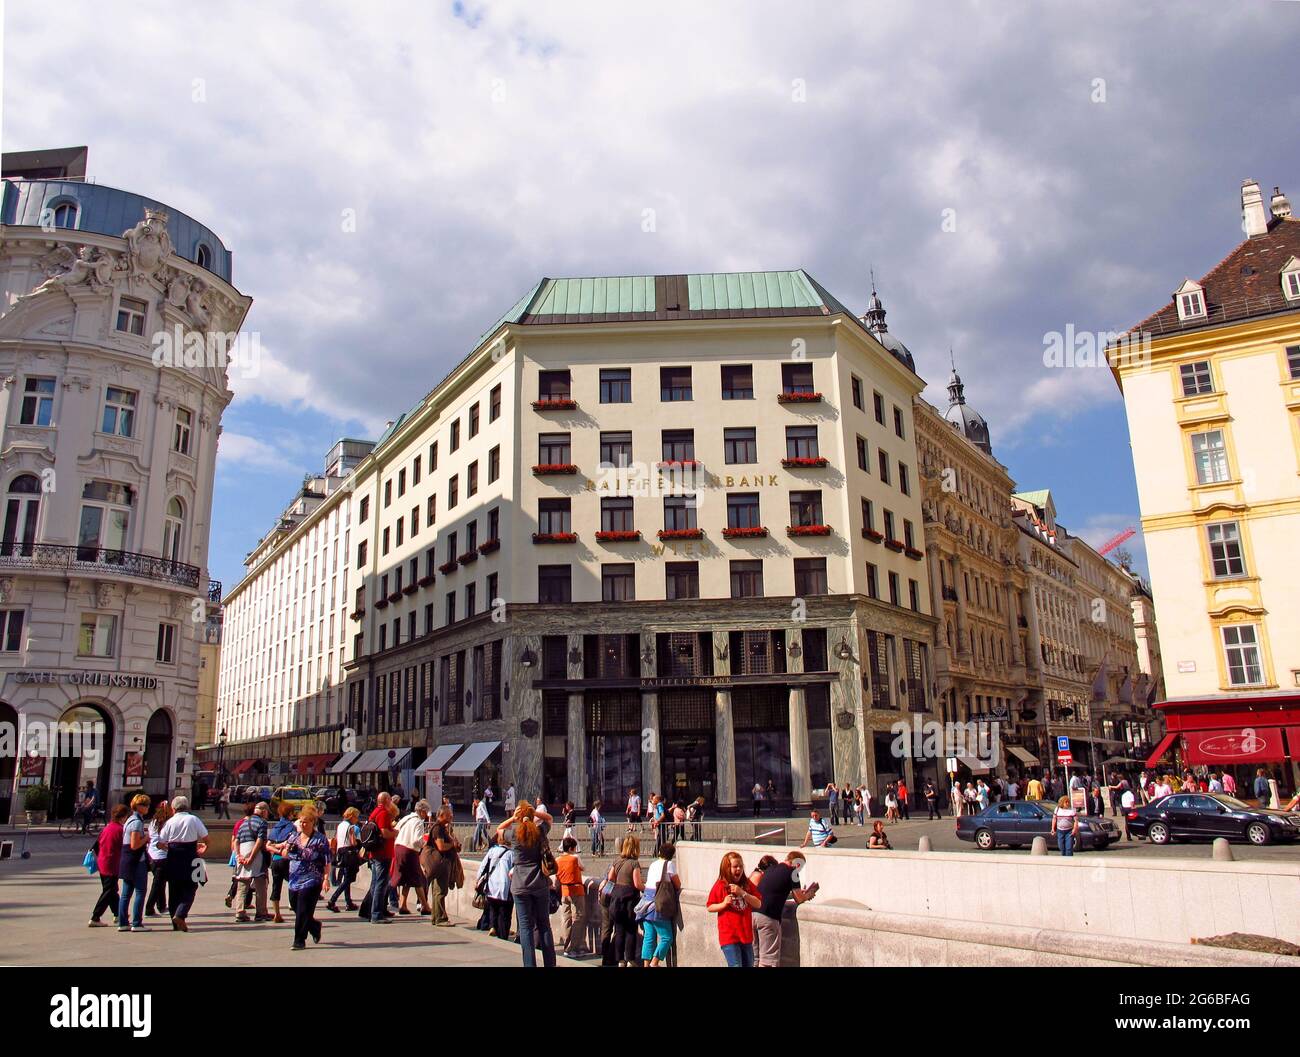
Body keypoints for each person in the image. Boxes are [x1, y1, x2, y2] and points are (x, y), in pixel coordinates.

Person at [499, 801, 556, 967]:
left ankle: (529, 965)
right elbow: (550, 818)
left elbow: (499, 830)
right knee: (544, 924)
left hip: (519, 885)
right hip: (539, 883)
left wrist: (513, 818)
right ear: (532, 816)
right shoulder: (539, 831)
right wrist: (535, 813)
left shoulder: (515, 834)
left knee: (525, 928)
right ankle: (550, 964)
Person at [274, 802, 331, 950]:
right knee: (295, 906)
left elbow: (327, 860)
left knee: (303, 909)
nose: (303, 824)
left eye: (306, 822)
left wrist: (326, 879)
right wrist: (285, 852)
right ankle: (314, 926)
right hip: (294, 878)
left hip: (312, 879)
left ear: (313, 822)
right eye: (301, 821)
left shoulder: (320, 839)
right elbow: (285, 851)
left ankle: (299, 940)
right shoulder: (294, 837)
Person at [752, 850, 817, 967]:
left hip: (753, 915)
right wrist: (809, 894)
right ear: (798, 864)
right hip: (768, 917)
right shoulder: (793, 872)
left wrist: (797, 893)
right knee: (768, 961)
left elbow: (775, 892)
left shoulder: (771, 869)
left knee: (755, 959)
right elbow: (799, 899)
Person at [156, 796, 209, 931]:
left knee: (174, 890)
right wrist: (203, 847)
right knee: (191, 887)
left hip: (173, 856)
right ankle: (180, 914)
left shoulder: (170, 822)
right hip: (190, 855)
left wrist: (169, 847)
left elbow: (160, 843)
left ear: (173, 809)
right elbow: (206, 838)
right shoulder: (193, 819)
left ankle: (175, 921)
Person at [706, 851, 761, 967]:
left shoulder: (747, 884)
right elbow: (710, 906)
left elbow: (758, 903)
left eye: (741, 866)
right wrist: (723, 904)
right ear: (727, 868)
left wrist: (742, 893)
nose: (739, 869)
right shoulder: (720, 885)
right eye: (735, 866)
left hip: (746, 936)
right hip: (729, 937)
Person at [640, 840, 681, 967]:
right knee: (667, 937)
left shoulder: (653, 864)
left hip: (646, 903)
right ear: (672, 855)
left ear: (659, 852)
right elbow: (677, 884)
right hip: (658, 904)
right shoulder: (669, 865)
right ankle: (655, 962)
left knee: (649, 937)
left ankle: (646, 964)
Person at [604, 833, 643, 967]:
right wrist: (647, 887)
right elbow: (637, 884)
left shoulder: (617, 861)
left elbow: (610, 878)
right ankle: (630, 960)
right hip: (630, 900)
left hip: (616, 899)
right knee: (631, 930)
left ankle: (620, 960)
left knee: (619, 930)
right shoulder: (634, 863)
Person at [115, 794, 152, 932]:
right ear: (139, 806)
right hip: (136, 860)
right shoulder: (136, 822)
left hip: (127, 860)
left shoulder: (129, 820)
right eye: (146, 805)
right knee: (140, 891)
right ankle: (136, 923)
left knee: (126, 893)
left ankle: (123, 922)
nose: (148, 807)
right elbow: (134, 844)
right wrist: (147, 838)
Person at [88, 803, 127, 927]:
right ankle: (95, 916)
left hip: (103, 862)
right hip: (112, 863)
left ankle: (118, 914)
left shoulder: (108, 827)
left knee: (112, 890)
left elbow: (98, 845)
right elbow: (124, 847)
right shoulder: (120, 830)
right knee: (109, 891)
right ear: (123, 817)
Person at [423, 805, 461, 926]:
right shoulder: (438, 829)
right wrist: (452, 845)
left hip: (441, 863)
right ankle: (440, 919)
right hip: (440, 864)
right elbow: (441, 846)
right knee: (440, 891)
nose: (451, 816)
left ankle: (436, 917)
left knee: (438, 891)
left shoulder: (442, 828)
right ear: (442, 815)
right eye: (449, 814)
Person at [365, 791, 398, 924]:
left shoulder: (375, 812)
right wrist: (395, 832)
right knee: (380, 883)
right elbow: (384, 833)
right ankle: (376, 914)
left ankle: (372, 911)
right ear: (386, 800)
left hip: (375, 853)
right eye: (389, 799)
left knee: (375, 883)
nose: (391, 801)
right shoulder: (383, 813)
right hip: (382, 853)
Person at [394, 800, 432, 915]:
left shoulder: (406, 818)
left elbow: (396, 829)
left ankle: (403, 904)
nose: (426, 815)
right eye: (425, 812)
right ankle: (425, 906)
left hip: (398, 847)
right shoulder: (418, 822)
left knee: (406, 879)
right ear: (422, 811)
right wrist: (425, 843)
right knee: (418, 878)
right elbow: (417, 840)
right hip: (410, 851)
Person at [234, 801, 270, 923]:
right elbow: (260, 840)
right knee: (260, 883)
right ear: (264, 811)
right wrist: (252, 856)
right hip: (255, 853)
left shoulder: (243, 823)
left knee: (242, 883)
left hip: (242, 852)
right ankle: (261, 912)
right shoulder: (262, 823)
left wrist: (238, 855)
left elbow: (236, 840)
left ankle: (239, 912)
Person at [478, 832, 514, 939]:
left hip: (492, 884)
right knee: (505, 913)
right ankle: (503, 935)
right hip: (505, 886)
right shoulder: (511, 854)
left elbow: (483, 867)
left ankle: (493, 926)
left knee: (494, 908)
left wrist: (478, 880)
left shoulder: (492, 851)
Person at [555, 836, 587, 958]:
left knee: (566, 918)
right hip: (576, 889)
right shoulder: (575, 858)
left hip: (564, 890)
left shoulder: (558, 859)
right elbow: (583, 867)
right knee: (578, 917)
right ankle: (574, 947)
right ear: (572, 848)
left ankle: (566, 946)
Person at [267, 802, 298, 924]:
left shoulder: (276, 827)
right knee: (293, 884)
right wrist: (283, 851)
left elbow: (268, 845)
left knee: (276, 886)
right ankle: (296, 908)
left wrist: (277, 851)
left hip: (275, 861)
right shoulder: (291, 827)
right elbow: (293, 844)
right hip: (287, 861)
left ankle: (277, 914)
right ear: (290, 814)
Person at [326, 806, 361, 911]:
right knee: (348, 879)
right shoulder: (350, 827)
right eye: (356, 817)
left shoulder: (340, 825)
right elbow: (353, 842)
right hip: (349, 853)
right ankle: (332, 900)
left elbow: (336, 838)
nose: (357, 819)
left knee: (346, 878)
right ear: (352, 816)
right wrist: (359, 843)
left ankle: (348, 902)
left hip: (341, 852)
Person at [145, 799, 172, 918]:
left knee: (160, 882)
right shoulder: (167, 823)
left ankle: (161, 905)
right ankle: (149, 908)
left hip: (151, 855)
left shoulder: (153, 822)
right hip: (162, 855)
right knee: (158, 883)